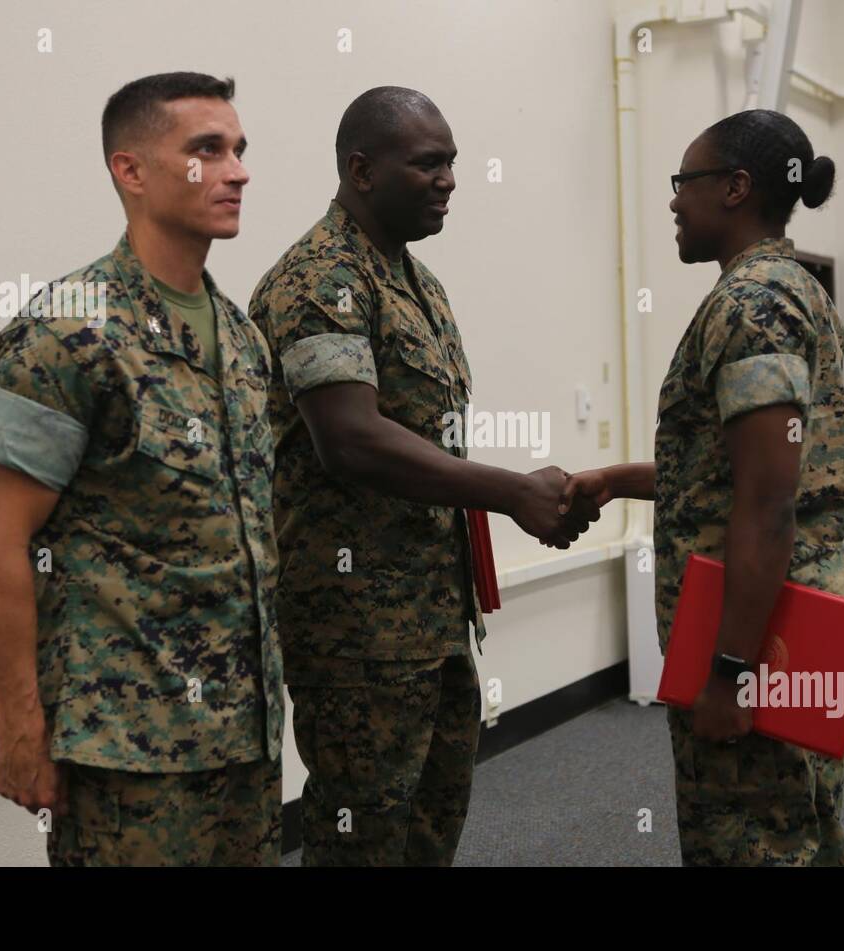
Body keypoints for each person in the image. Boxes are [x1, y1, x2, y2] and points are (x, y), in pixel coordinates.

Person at [249, 86, 598, 866]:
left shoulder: (416, 283)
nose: (448, 180)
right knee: (363, 833)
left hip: (431, 613)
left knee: (430, 824)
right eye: (428, 163)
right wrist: (512, 493)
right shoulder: (320, 279)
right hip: (354, 624)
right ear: (362, 169)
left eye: (453, 164)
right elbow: (352, 440)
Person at [0, 72, 284, 865]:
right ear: (130, 171)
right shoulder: (66, 335)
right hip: (126, 752)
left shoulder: (242, 342)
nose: (237, 170)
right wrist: (20, 728)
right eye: (208, 150)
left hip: (247, 736)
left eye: (239, 150)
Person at [563, 109, 844, 866]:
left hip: (758, 632)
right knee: (799, 827)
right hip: (785, 614)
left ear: (735, 188)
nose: (674, 201)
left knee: (754, 842)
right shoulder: (787, 287)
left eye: (686, 183)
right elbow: (737, 472)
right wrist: (615, 479)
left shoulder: (752, 305)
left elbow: (768, 502)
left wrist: (732, 674)